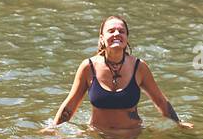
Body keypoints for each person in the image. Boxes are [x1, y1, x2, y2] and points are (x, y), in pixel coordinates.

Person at [48, 15, 192, 132]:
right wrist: (53, 128)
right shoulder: (88, 67)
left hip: (132, 137)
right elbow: (70, 104)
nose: (117, 34)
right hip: (98, 137)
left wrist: (178, 124)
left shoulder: (139, 67)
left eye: (121, 31)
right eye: (111, 31)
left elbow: (160, 100)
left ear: (126, 38)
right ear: (102, 38)